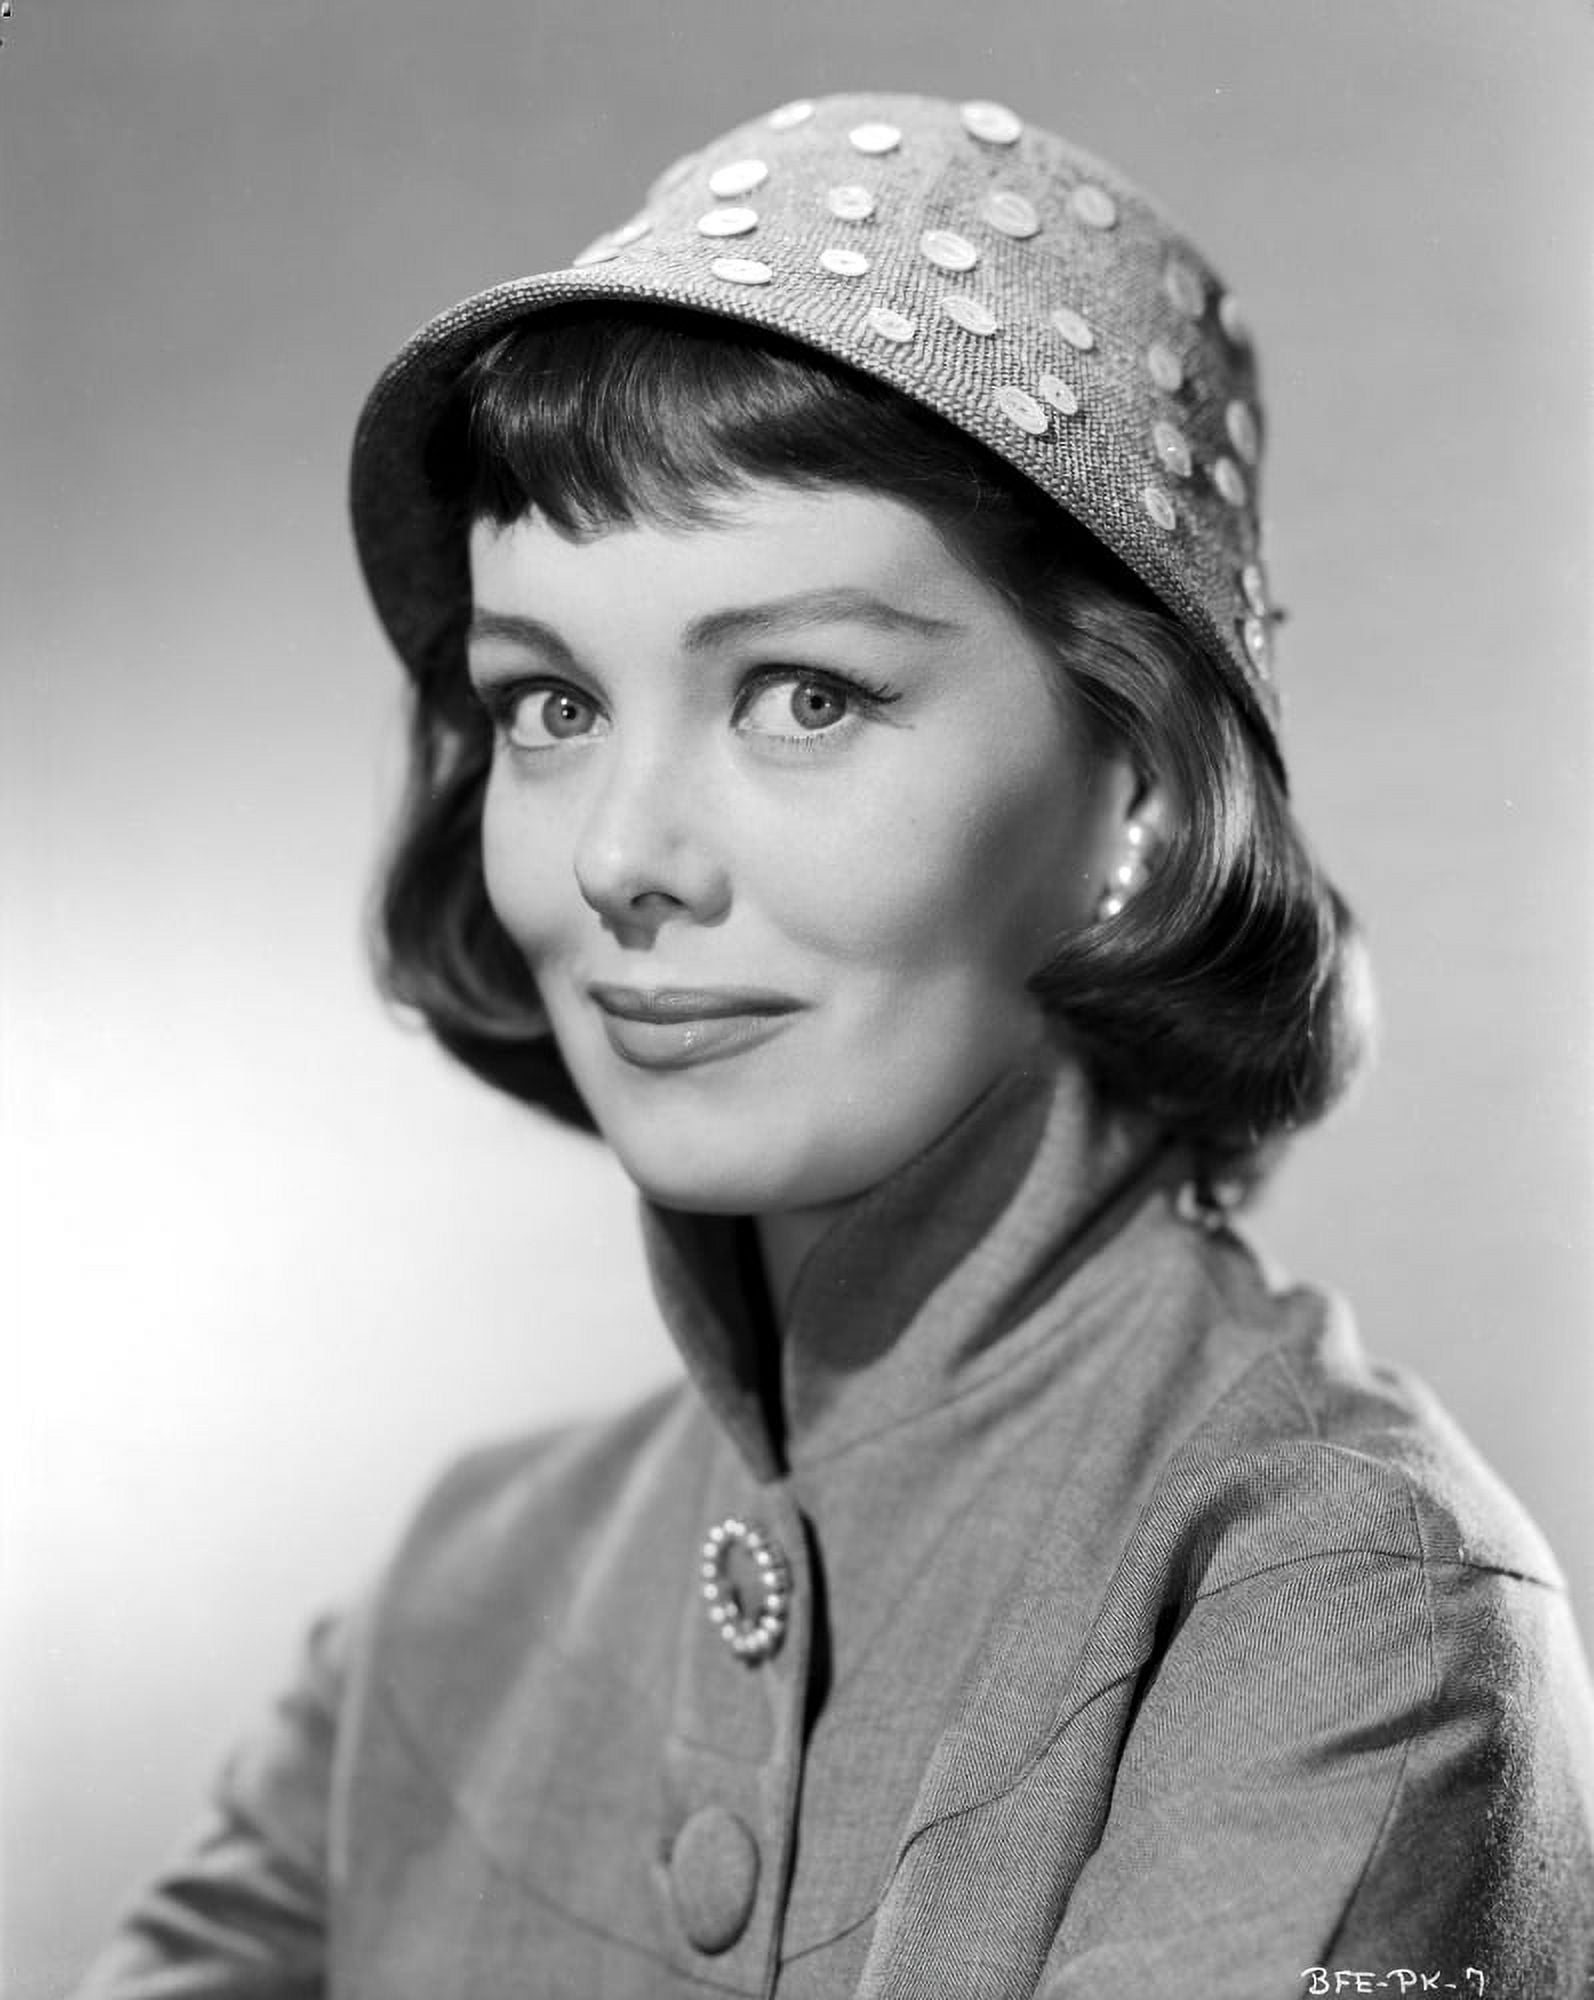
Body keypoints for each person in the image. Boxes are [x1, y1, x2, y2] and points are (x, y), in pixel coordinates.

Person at [73, 91, 1594, 1998]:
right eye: (545, 704)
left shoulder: (1335, 1606)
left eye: (804, 696)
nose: (621, 855)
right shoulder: (458, 1591)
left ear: (1136, 782)